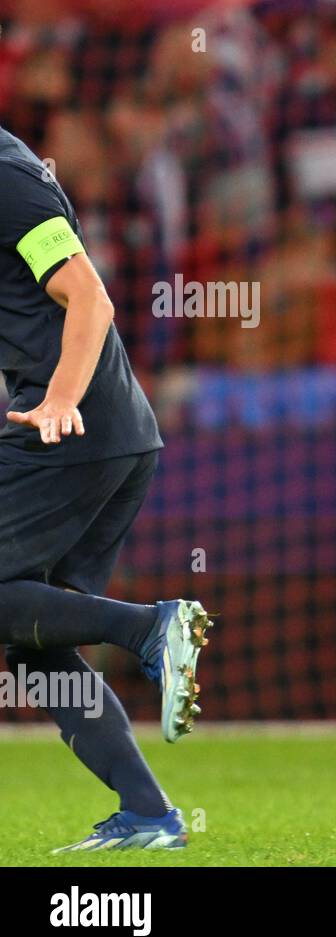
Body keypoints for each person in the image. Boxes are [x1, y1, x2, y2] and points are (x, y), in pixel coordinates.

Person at [0, 122, 212, 852]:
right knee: (33, 643)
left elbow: (90, 298)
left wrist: (60, 398)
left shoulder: (9, 179)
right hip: (106, 433)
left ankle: (150, 627)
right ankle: (149, 815)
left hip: (74, 428)